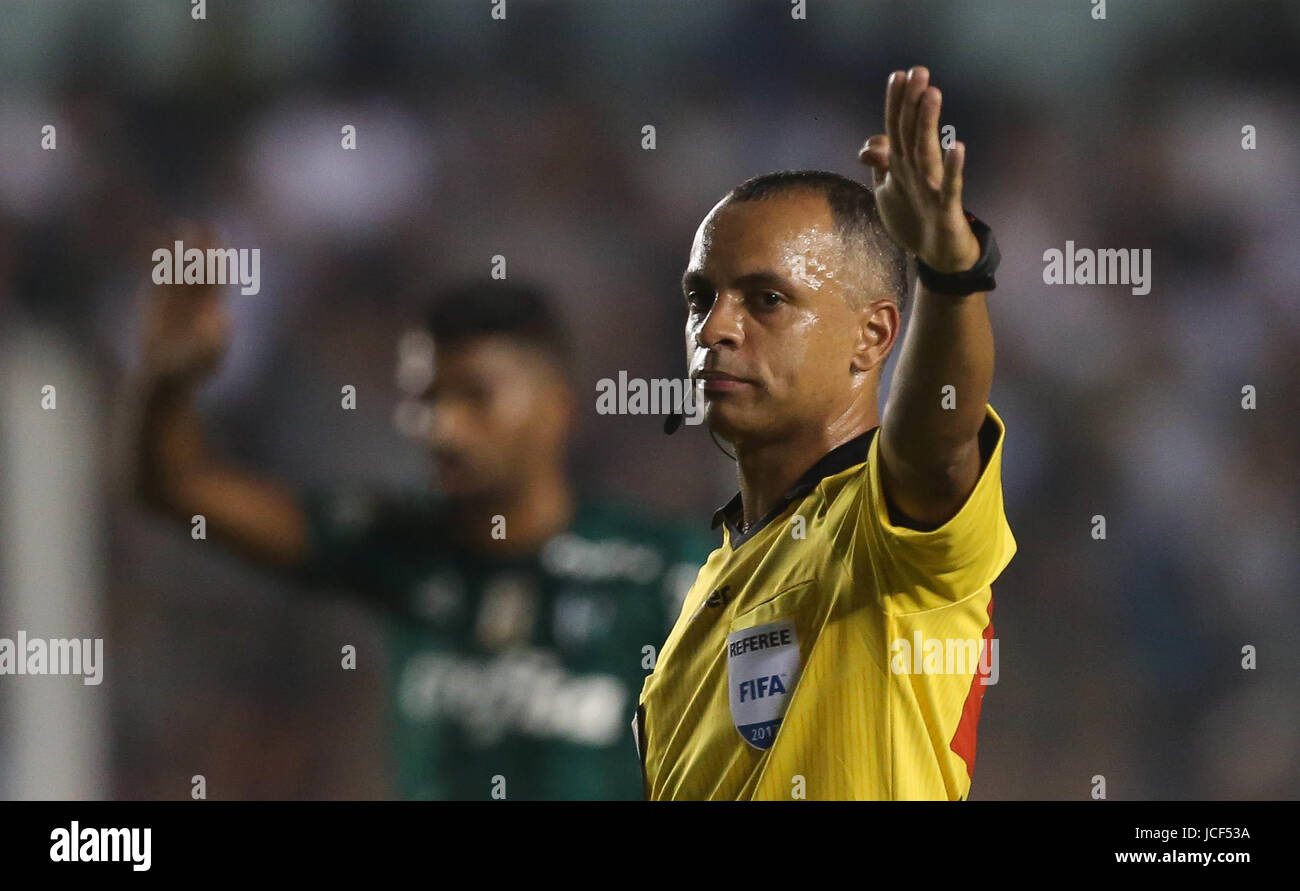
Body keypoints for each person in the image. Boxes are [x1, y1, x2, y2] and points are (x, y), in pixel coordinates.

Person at [130, 271, 712, 800]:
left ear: (557, 406)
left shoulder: (665, 570)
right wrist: (168, 384)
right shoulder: (396, 545)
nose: (442, 428)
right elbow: (177, 486)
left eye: (474, 397)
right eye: (425, 399)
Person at [634, 66, 1017, 800]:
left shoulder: (884, 528)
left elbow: (936, 448)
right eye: (699, 298)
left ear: (872, 336)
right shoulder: (697, 604)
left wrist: (951, 272)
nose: (713, 328)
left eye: (766, 299)